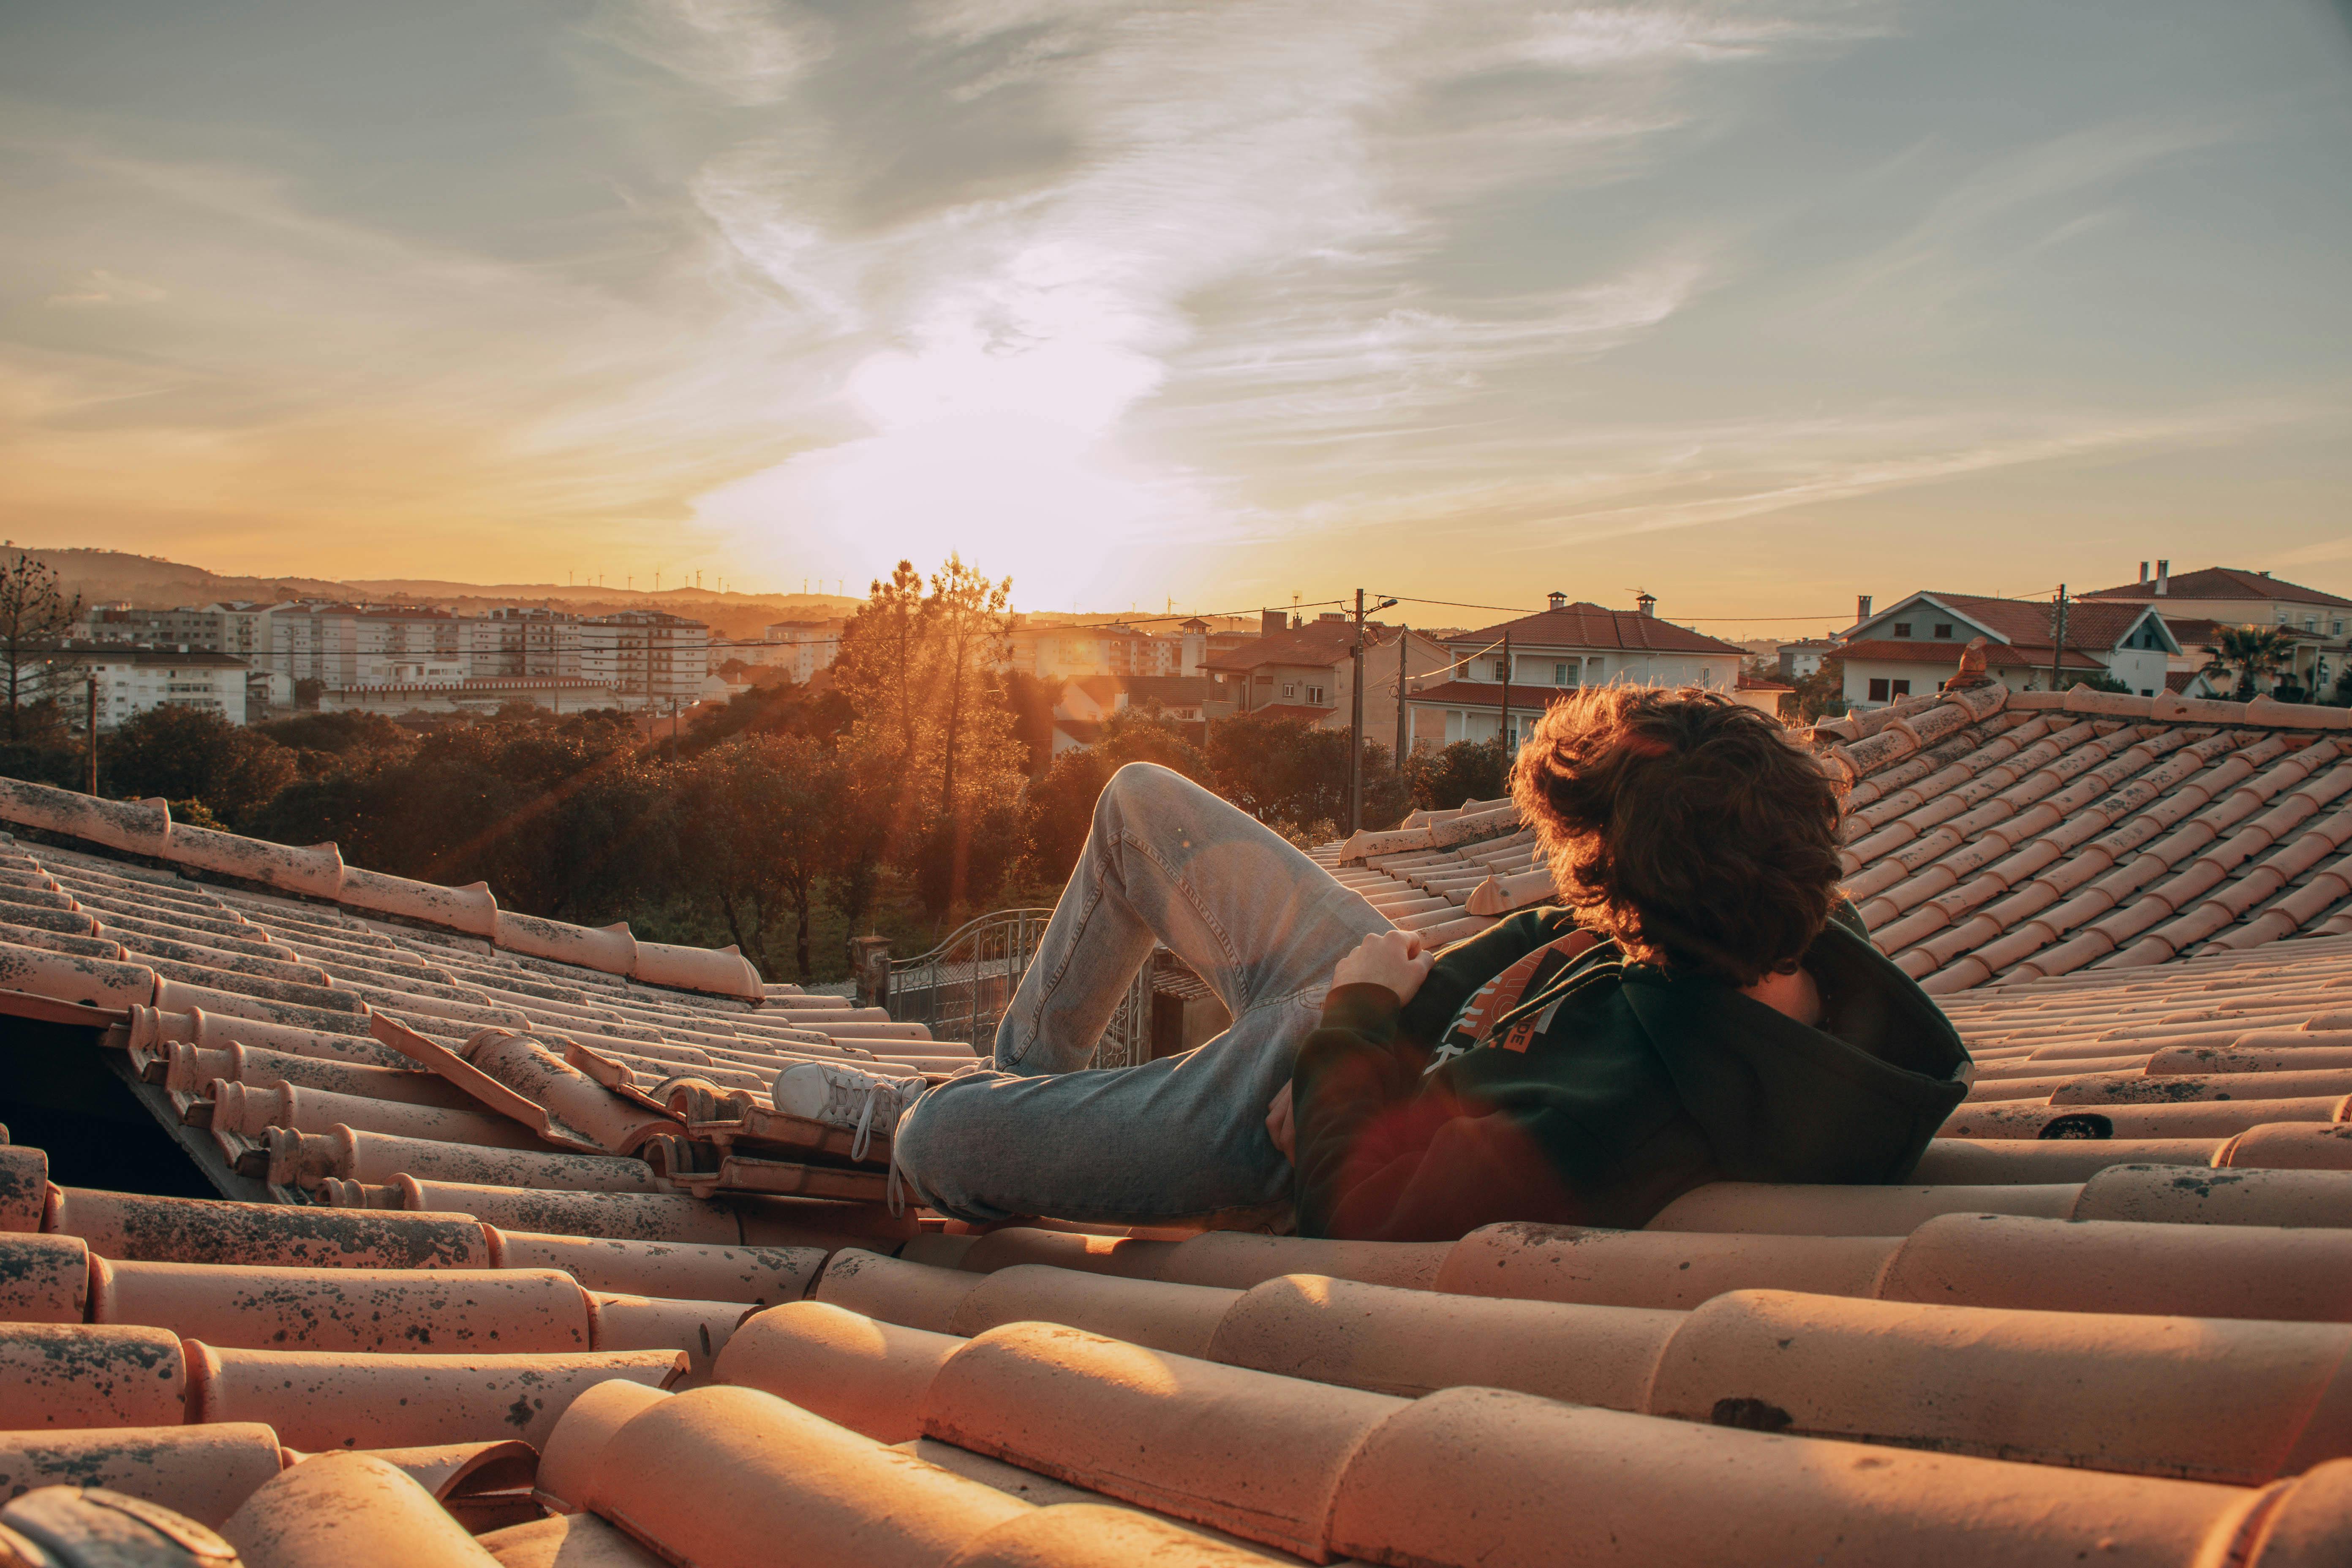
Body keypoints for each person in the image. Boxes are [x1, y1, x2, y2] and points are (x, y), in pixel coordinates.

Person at [773, 687, 1970, 1241]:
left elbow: (1358, 1202)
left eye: (1585, 866)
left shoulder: (1641, 1102)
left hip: (1288, 1106)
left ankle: (927, 1121)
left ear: (1633, 888)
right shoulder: (1766, 920)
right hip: (1372, 1000)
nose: (1574, 892)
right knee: (1140, 801)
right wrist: (1382, 990)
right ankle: (1034, 1087)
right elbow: (1530, 953)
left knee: (944, 1148)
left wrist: (1351, 1028)